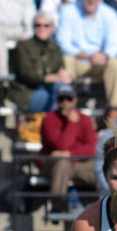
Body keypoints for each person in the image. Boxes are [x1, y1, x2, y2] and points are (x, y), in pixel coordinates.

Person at [56, 0, 117, 110]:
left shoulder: (110, 14)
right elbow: (63, 43)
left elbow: (113, 45)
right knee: (65, 61)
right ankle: (66, 106)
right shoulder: (68, 10)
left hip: (99, 63)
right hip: (76, 59)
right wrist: (88, 56)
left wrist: (104, 56)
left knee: (116, 65)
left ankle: (113, 109)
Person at [40, 83, 98, 214]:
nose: (65, 103)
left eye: (69, 99)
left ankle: (105, 205)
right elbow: (61, 145)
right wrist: (72, 123)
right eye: (61, 99)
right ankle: (57, 205)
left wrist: (70, 154)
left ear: (75, 100)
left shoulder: (85, 119)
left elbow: (91, 148)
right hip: (52, 165)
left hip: (77, 164)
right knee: (62, 163)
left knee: (102, 166)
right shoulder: (49, 119)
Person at [8, 12, 72, 113]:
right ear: (33, 27)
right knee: (55, 101)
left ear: (51, 28)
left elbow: (61, 71)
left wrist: (64, 76)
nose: (42, 28)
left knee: (65, 91)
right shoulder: (23, 46)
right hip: (29, 91)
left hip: (51, 89)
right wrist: (49, 78)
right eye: (38, 25)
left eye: (46, 25)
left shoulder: (56, 49)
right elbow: (26, 74)